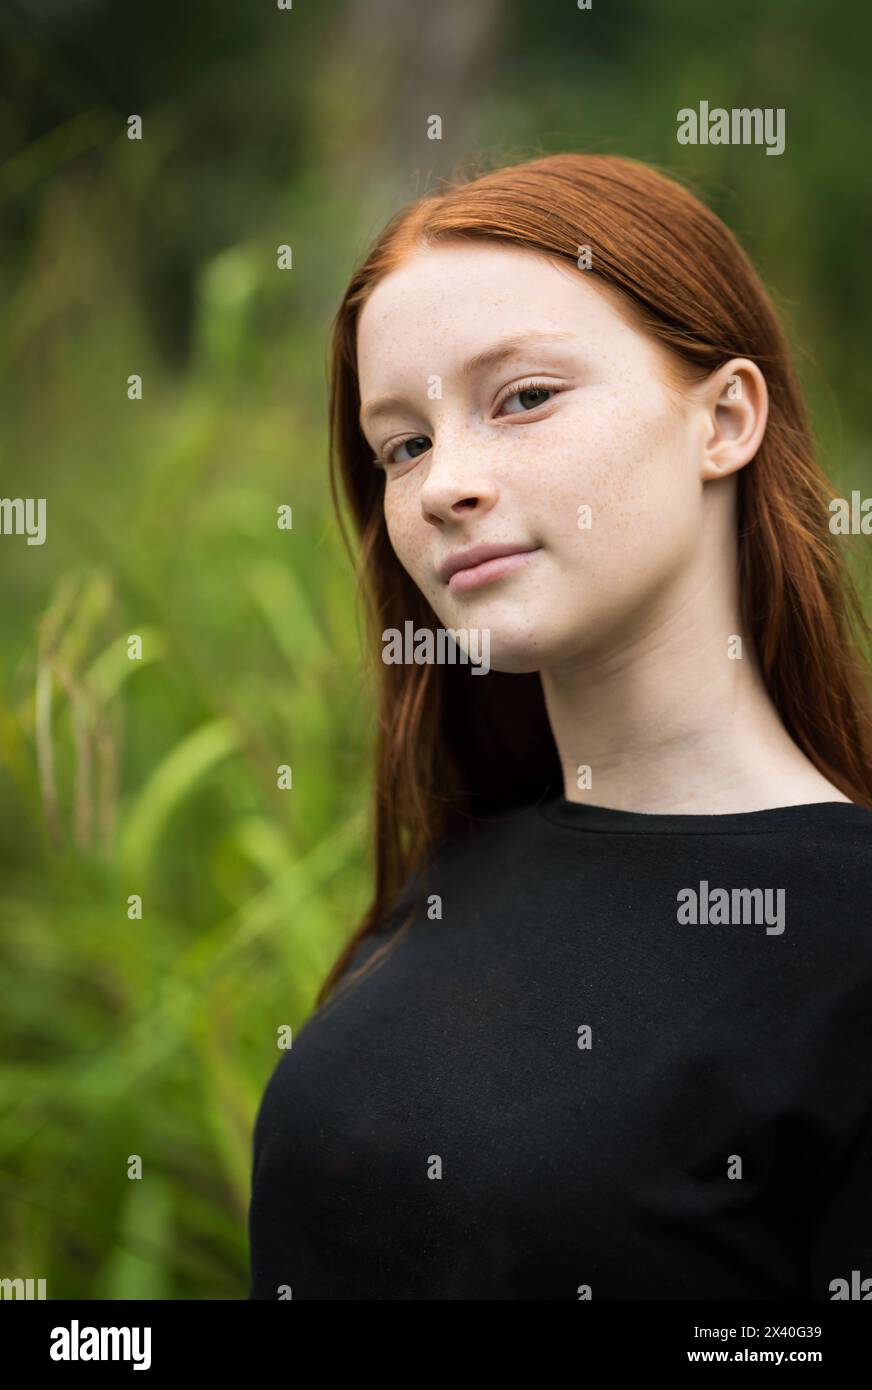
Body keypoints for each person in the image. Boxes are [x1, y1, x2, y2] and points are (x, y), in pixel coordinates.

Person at [248, 153, 872, 1300]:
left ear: (723, 418)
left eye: (522, 397)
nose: (443, 486)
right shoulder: (454, 868)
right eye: (403, 442)